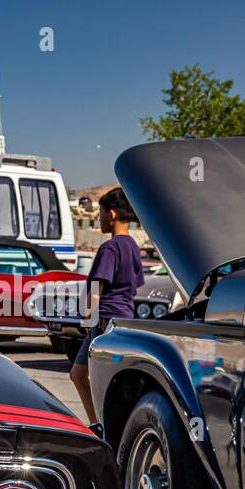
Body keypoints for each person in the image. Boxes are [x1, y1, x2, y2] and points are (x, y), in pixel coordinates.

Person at [70, 187, 144, 437]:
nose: (99, 218)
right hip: (125, 319)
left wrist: (87, 320)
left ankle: (103, 427)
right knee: (79, 373)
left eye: (100, 213)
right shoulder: (133, 247)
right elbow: (135, 285)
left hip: (105, 319)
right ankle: (99, 424)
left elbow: (96, 289)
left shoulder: (110, 248)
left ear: (111, 214)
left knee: (95, 378)